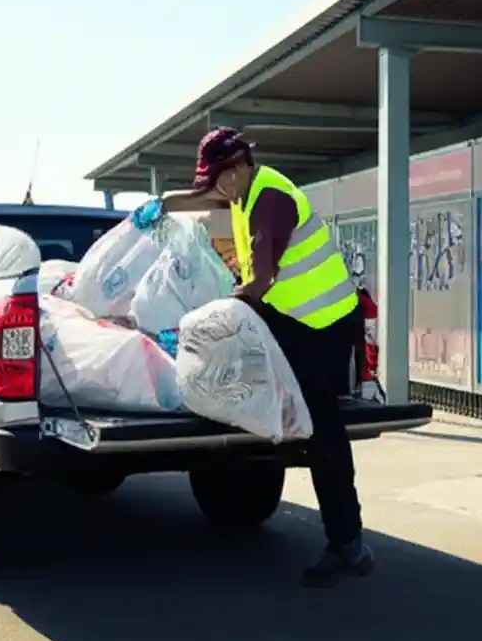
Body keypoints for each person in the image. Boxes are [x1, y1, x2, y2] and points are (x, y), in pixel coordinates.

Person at [131, 126, 373, 588]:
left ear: (241, 164)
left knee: (322, 433)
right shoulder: (240, 191)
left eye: (222, 177)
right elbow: (203, 197)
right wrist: (161, 205)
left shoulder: (270, 200)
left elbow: (259, 283)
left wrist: (199, 324)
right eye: (213, 180)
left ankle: (348, 544)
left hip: (324, 323)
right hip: (295, 317)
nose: (218, 188)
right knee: (290, 411)